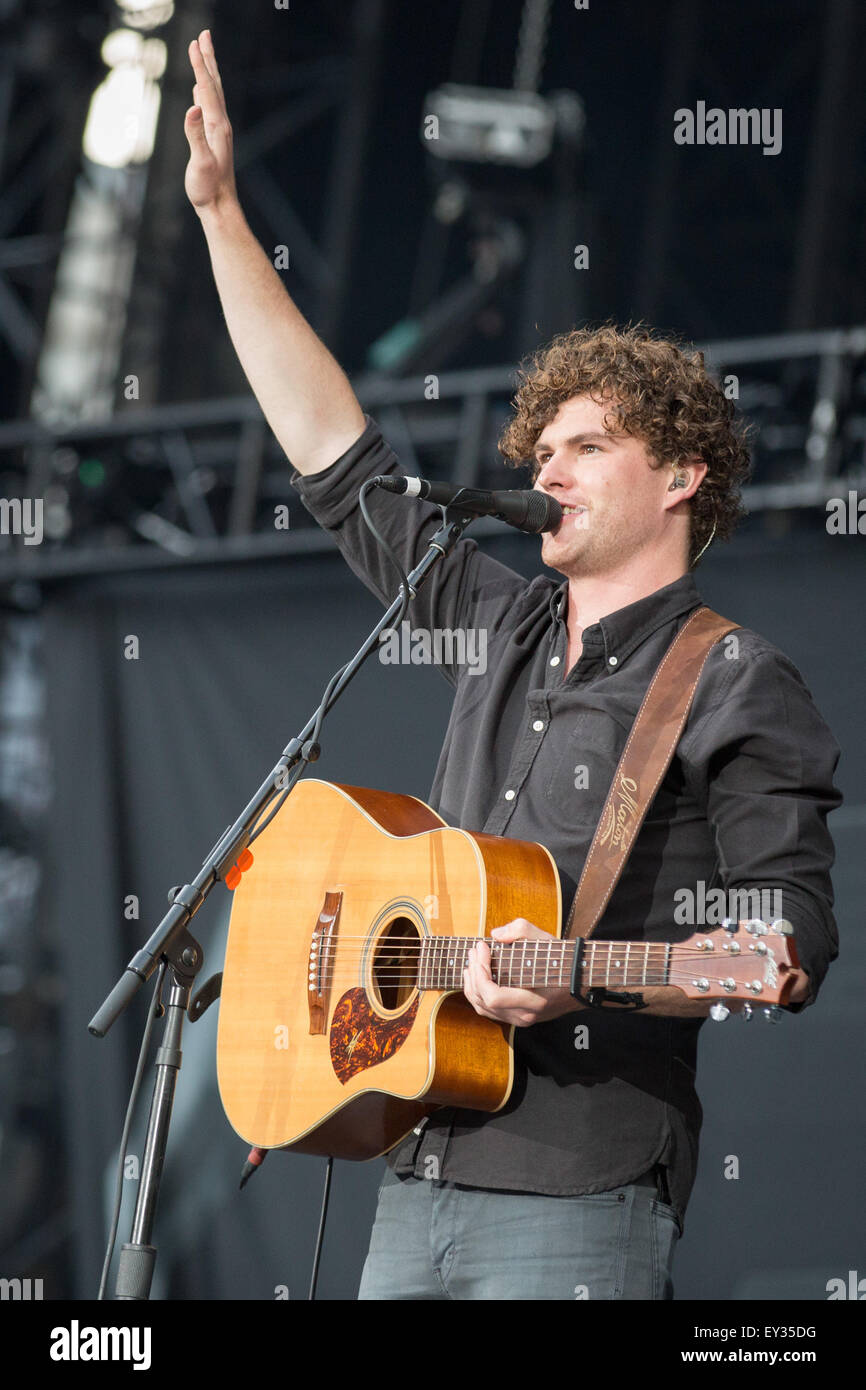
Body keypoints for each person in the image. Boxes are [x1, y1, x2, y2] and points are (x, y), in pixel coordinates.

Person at [184, 30, 841, 1300]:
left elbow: (781, 940)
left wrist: (579, 977)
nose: (543, 467)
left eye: (584, 446)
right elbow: (337, 463)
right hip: (415, 1162)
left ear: (681, 477)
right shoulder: (493, 621)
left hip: (576, 1198)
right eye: (537, 448)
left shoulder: (733, 681)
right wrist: (218, 217)